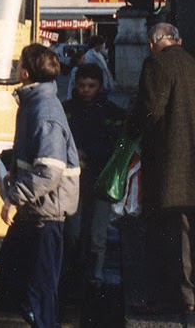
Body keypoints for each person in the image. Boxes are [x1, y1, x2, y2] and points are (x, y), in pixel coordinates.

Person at [0, 43, 81, 328]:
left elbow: (49, 171)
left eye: (19, 62)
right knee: (12, 273)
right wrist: (2, 158)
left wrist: (13, 198)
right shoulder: (33, 104)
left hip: (46, 213)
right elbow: (35, 157)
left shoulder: (43, 111)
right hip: (36, 211)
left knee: (39, 288)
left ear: (24, 72)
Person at [127, 22, 195, 314]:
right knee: (188, 231)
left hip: (168, 165)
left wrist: (131, 130)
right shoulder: (192, 63)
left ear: (154, 42)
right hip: (189, 165)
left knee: (168, 235)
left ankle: (177, 297)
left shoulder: (156, 64)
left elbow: (150, 110)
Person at [61, 63, 126, 293]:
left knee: (98, 233)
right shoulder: (66, 110)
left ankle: (96, 274)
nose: (85, 90)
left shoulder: (113, 113)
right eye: (81, 85)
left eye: (91, 85)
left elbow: (117, 145)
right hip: (73, 180)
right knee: (73, 230)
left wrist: (86, 152)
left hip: (101, 180)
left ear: (100, 86)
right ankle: (74, 270)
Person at [68, 35, 114, 100]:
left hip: (103, 84)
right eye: (101, 45)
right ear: (97, 44)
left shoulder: (99, 54)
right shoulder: (90, 56)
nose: (102, 46)